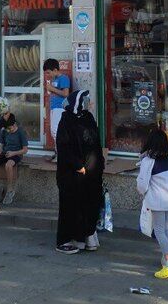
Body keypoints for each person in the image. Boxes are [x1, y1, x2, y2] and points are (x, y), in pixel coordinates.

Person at [54, 89, 104, 254]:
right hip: (72, 175)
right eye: (86, 101)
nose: (89, 104)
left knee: (90, 205)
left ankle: (87, 239)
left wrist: (99, 165)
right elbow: (64, 147)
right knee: (71, 207)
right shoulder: (66, 121)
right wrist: (77, 165)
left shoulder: (88, 118)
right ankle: (65, 241)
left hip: (91, 174)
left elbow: (95, 143)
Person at [136, 128, 168, 279]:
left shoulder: (149, 161)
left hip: (157, 201)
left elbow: (142, 185)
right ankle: (164, 258)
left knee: (159, 231)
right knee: (166, 229)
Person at [0, 113, 28, 205]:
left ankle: (10, 190)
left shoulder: (20, 132)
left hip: (16, 153)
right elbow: (2, 144)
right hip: (6, 152)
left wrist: (13, 153)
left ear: (14, 124)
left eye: (9, 128)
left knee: (8, 165)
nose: (8, 131)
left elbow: (25, 150)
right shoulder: (4, 131)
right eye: (6, 129)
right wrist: (0, 149)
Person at [43, 58, 70, 162]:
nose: (48, 75)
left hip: (60, 108)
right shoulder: (54, 79)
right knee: (54, 131)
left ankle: (62, 155)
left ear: (55, 70)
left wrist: (51, 89)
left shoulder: (63, 78)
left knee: (56, 131)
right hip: (54, 107)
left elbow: (65, 93)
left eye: (49, 72)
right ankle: (58, 153)